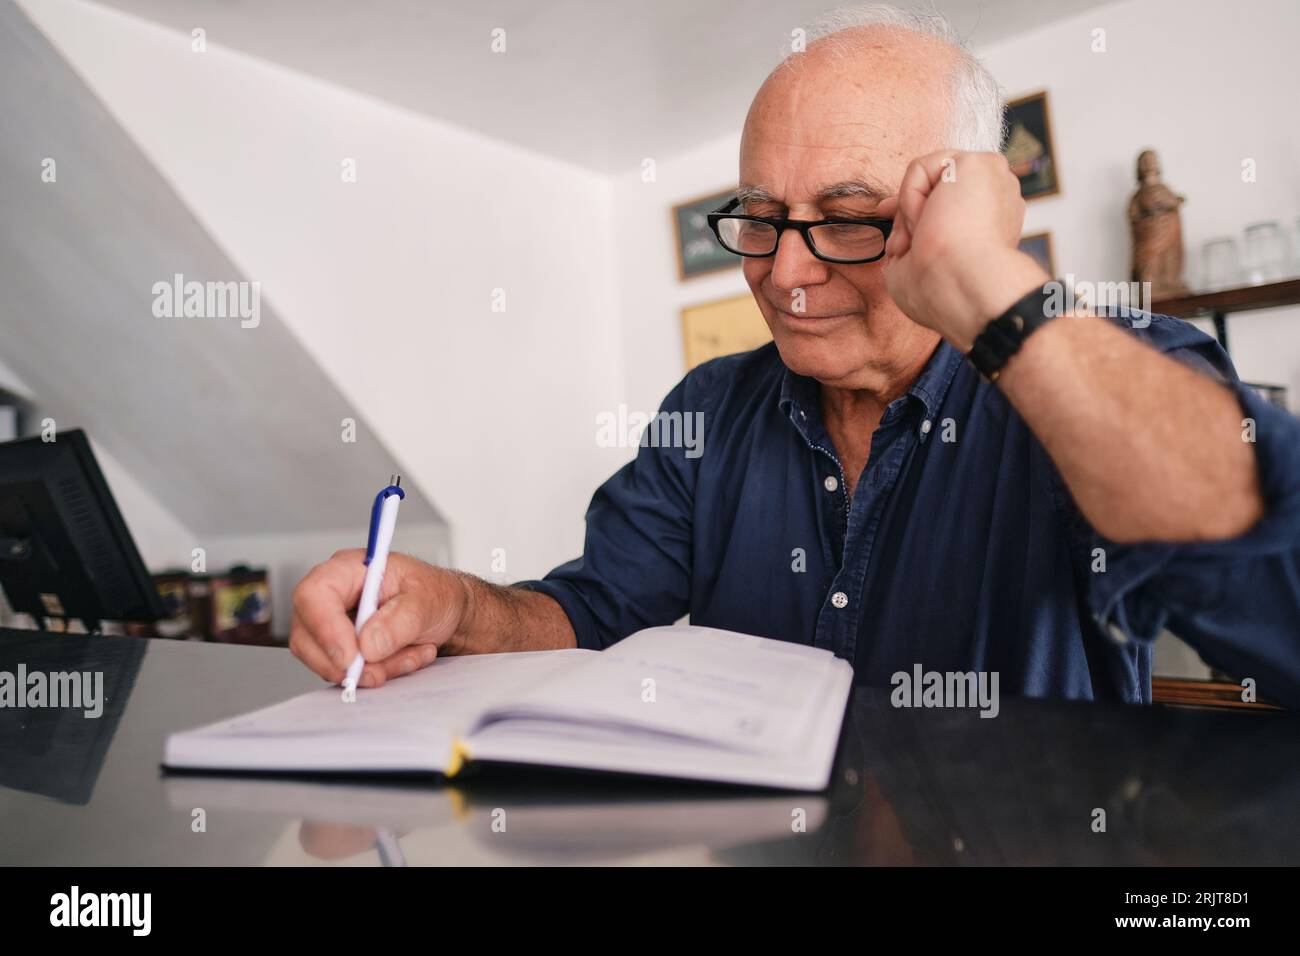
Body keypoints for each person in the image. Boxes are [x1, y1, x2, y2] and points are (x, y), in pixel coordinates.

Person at [289, 6, 1300, 705]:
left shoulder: (1090, 370)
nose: (782, 276)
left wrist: (990, 281)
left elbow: (1274, 593)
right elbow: (591, 610)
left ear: (959, 213)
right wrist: (454, 604)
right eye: (761, 218)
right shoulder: (712, 409)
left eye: (849, 218)